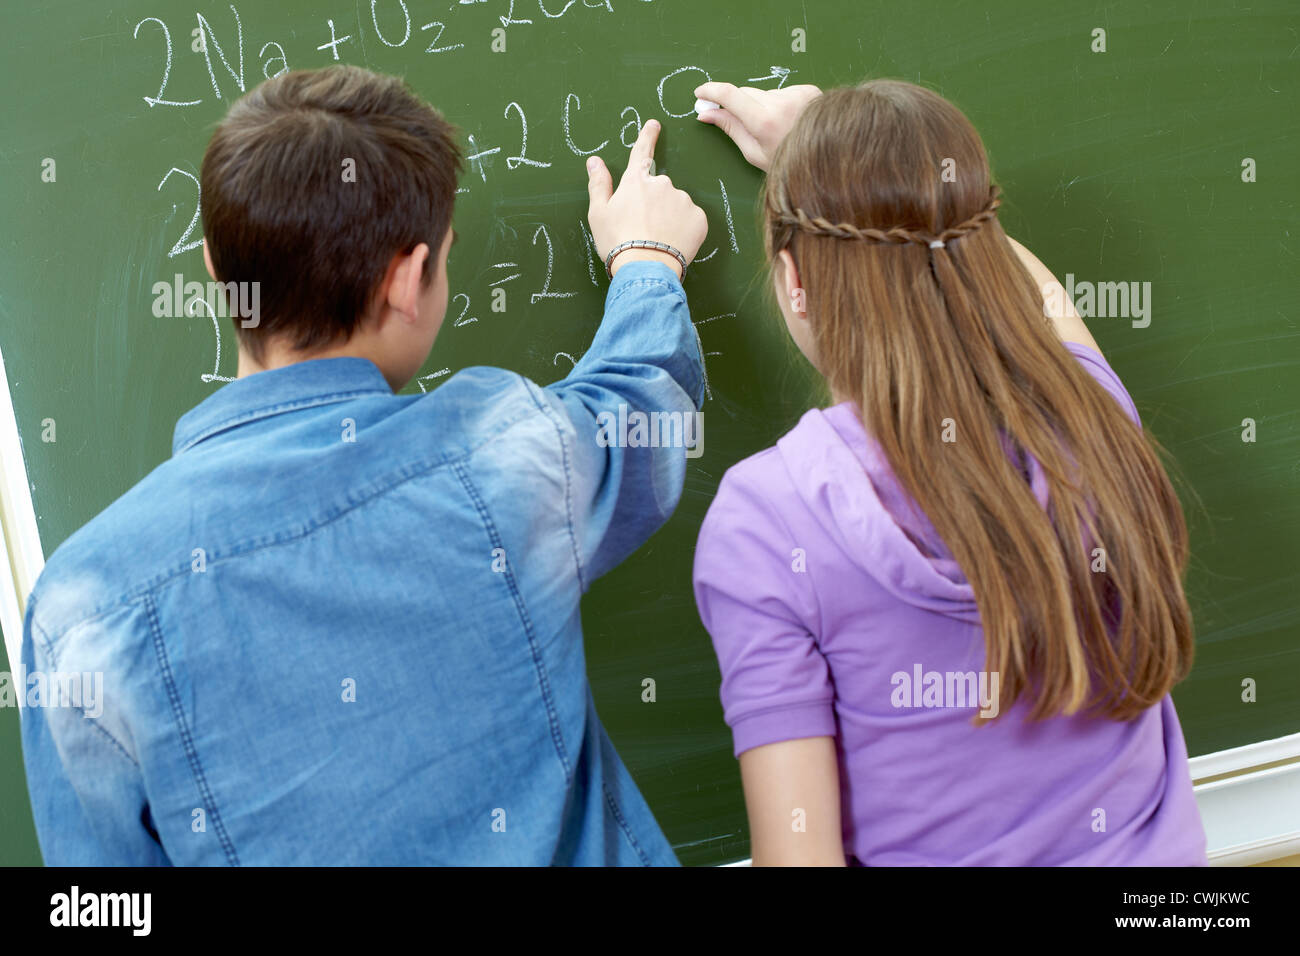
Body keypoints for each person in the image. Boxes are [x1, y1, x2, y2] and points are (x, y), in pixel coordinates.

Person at [20, 65, 706, 865]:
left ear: (215, 267)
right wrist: (648, 260)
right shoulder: (500, 456)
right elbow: (647, 411)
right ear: (409, 280)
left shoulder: (82, 611)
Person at [691, 79, 1207, 866]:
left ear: (794, 283)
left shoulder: (768, 521)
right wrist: (882, 170)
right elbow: (1035, 295)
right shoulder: (1092, 425)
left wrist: (841, 174)